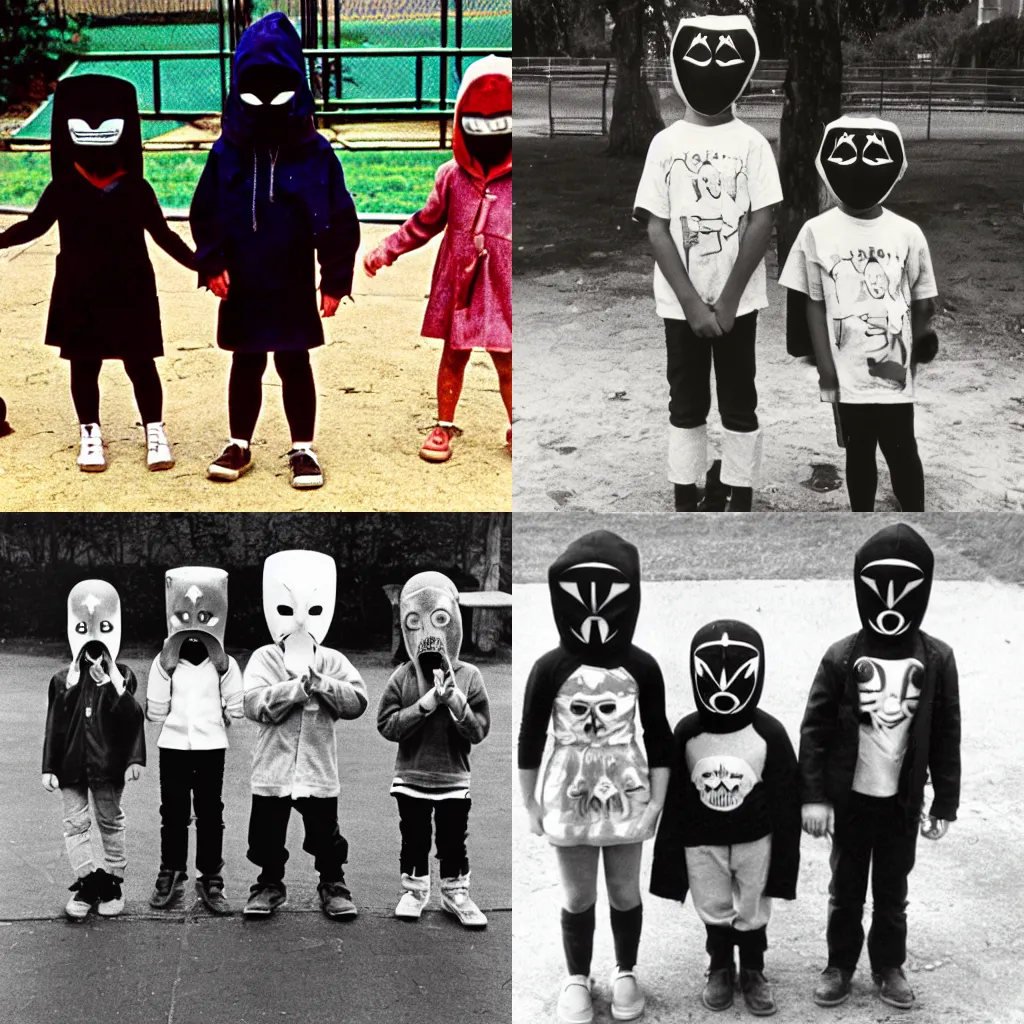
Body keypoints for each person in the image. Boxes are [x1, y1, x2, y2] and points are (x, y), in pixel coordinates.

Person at [190, 12, 360, 489]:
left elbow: (338, 218)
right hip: (241, 278)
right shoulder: (227, 150)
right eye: (254, 86)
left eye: (277, 86)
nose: (265, 99)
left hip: (290, 278)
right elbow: (205, 211)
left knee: (293, 360)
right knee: (246, 359)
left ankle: (302, 447)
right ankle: (239, 443)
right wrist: (212, 261)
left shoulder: (315, 152)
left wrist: (335, 279)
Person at [798, 523, 961, 1010]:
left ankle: (888, 964)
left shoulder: (936, 659)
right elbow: (815, 730)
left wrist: (944, 802)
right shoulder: (842, 656)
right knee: (845, 889)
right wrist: (814, 796)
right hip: (850, 800)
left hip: (900, 803)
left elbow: (946, 733)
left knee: (893, 890)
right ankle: (839, 965)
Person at [0, 75, 194, 472]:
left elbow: (162, 234)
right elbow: (34, 226)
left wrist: (201, 265)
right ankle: (90, 431)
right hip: (79, 285)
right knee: (83, 363)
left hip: (131, 285)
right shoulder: (64, 186)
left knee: (140, 361)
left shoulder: (136, 188)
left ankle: (154, 429)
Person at [518, 531, 673, 1024]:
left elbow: (659, 735)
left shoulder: (641, 667)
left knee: (626, 891)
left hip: (627, 791)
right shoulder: (549, 668)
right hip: (568, 791)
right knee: (579, 894)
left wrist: (655, 804)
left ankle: (625, 970)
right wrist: (531, 804)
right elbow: (530, 737)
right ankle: (577, 975)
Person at [632, 16, 781, 512]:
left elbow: (763, 221)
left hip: (740, 303)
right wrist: (694, 304)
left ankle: (740, 495)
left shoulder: (753, 144)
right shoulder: (665, 144)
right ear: (678, 65)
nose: (712, 71)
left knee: (740, 402)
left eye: (727, 60)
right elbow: (657, 226)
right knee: (687, 404)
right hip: (682, 308)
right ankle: (686, 494)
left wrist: (730, 300)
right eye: (697, 57)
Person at [779, 117, 939, 512]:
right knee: (859, 450)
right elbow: (812, 304)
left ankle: (914, 517)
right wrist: (826, 371)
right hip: (846, 372)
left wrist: (914, 351)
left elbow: (923, 300)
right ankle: (862, 520)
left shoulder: (907, 233)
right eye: (847, 154)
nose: (860, 168)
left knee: (903, 449)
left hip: (893, 370)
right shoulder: (815, 232)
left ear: (895, 166)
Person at [363, 55, 512, 463]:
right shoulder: (451, 176)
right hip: (461, 286)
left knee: (507, 359)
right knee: (453, 355)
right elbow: (424, 222)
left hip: (504, 286)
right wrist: (386, 250)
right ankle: (444, 425)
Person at [650, 620, 800, 1016]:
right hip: (702, 840)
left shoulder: (769, 733)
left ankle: (752, 969)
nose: (723, 691)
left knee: (752, 906)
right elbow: (676, 790)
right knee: (713, 904)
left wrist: (787, 851)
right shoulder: (689, 732)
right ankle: (719, 966)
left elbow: (787, 792)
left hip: (756, 839)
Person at [242, 549, 368, 919]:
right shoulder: (265, 658)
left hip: (317, 771)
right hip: (272, 771)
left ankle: (333, 883)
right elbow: (254, 704)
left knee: (325, 836)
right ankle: (268, 884)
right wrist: (296, 689)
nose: (299, 621)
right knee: (265, 836)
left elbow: (356, 702)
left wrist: (322, 684)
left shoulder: (334, 660)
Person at [376, 571, 491, 926]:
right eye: (416, 621)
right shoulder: (403, 676)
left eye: (440, 619)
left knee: (453, 841)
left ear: (453, 621)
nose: (429, 632)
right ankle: (414, 891)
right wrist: (424, 706)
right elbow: (386, 725)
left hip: (454, 780)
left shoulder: (469, 675)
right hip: (411, 777)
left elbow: (478, 730)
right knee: (414, 839)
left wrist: (456, 702)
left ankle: (455, 892)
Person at [42, 580, 146, 919]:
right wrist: (49, 766)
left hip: (107, 765)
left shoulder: (122, 676)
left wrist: (110, 681)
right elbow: (55, 722)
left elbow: (131, 717)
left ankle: (113, 881)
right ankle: (87, 881)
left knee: (110, 821)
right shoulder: (62, 680)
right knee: (75, 823)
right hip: (71, 765)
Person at [146, 567, 244, 914]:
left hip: (210, 747)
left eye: (203, 618)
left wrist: (225, 669)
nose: (194, 628)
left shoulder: (223, 664)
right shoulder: (167, 664)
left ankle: (211, 877)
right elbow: (155, 713)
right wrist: (163, 667)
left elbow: (239, 707)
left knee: (209, 813)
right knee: (172, 812)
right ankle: (171, 871)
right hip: (172, 746)